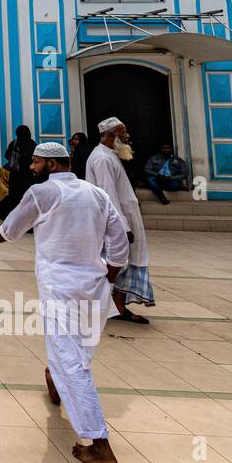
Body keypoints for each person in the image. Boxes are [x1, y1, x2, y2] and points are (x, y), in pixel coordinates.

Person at [0, 141, 129, 463]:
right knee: (76, 350)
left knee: (72, 360)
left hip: (60, 287)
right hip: (94, 286)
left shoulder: (43, 193)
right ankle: (54, 377)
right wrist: (111, 269)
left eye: (36, 162)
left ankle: (98, 442)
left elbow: (14, 225)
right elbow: (119, 237)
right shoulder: (96, 194)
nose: (31, 167)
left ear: (52, 165)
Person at [84, 117, 155, 323]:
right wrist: (122, 227)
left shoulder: (109, 156)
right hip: (116, 221)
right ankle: (109, 307)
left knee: (121, 263)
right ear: (110, 135)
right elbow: (107, 194)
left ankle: (117, 306)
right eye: (122, 132)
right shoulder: (102, 159)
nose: (127, 136)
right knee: (116, 264)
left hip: (123, 218)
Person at [0, 125, 36, 219]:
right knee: (24, 196)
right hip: (28, 175)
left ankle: (7, 214)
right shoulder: (33, 144)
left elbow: (7, 155)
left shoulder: (15, 143)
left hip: (15, 174)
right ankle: (22, 217)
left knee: (13, 195)